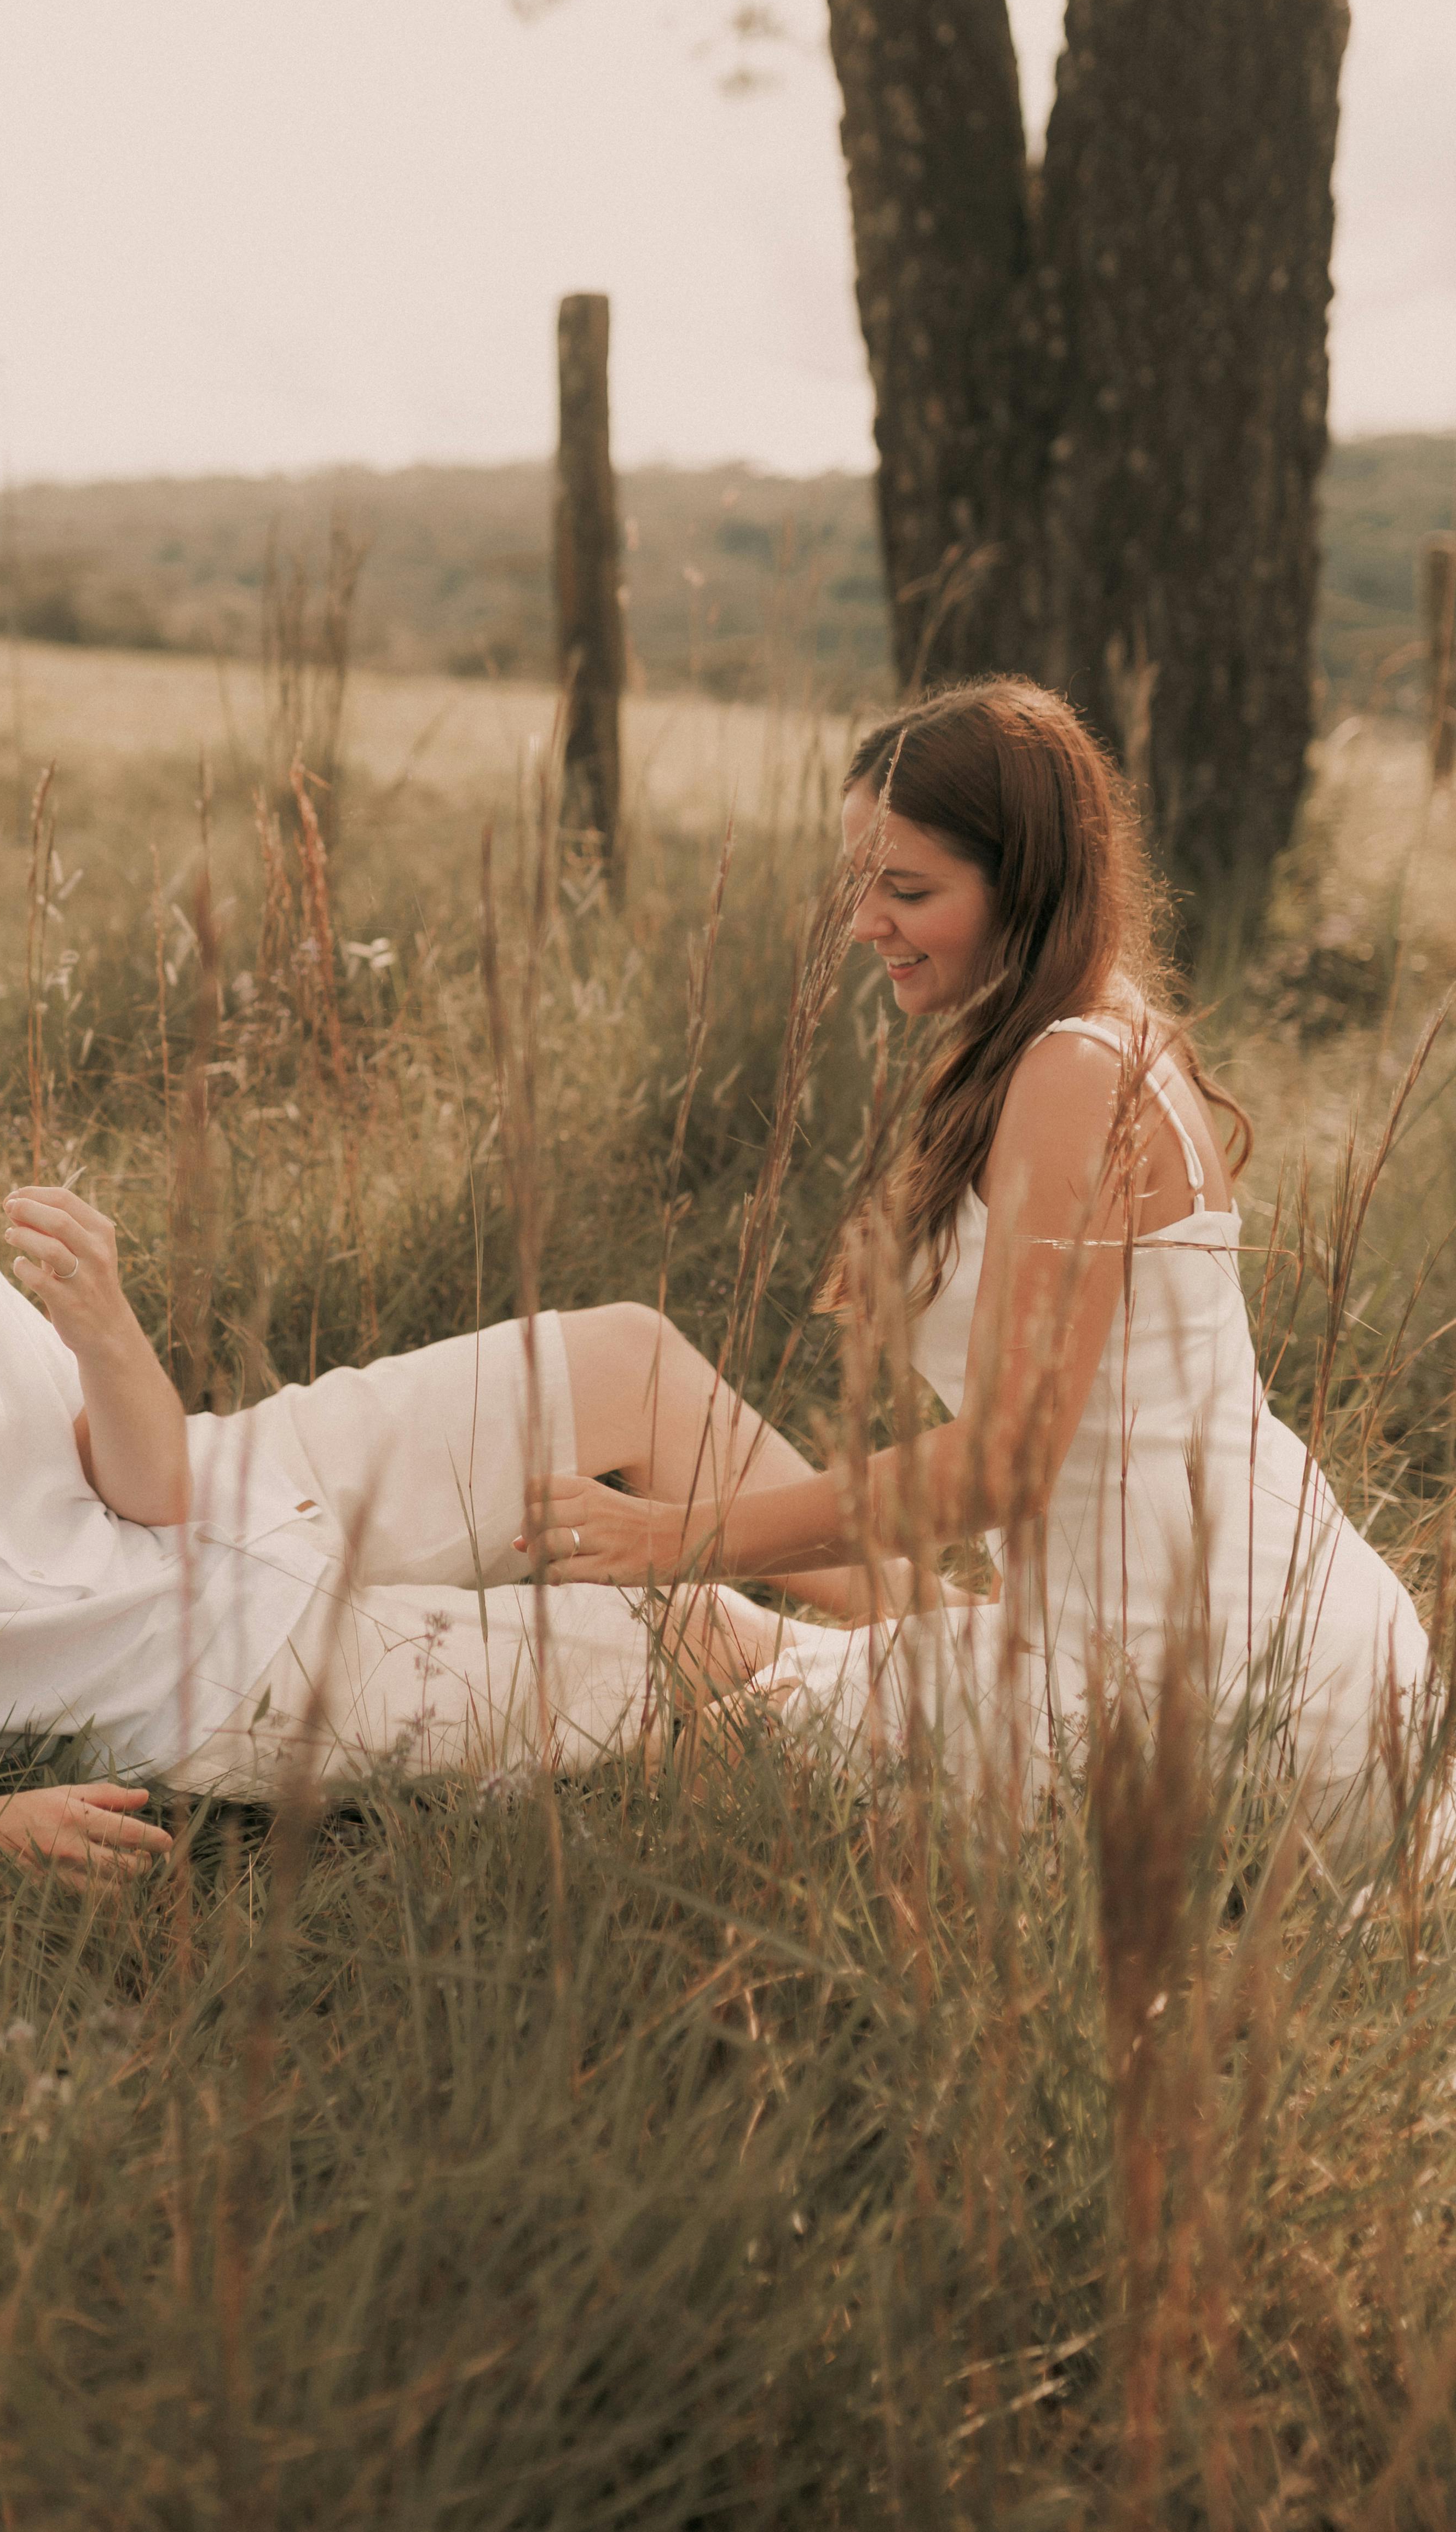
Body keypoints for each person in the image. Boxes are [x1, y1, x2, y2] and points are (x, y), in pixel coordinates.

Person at [0, 993, 881, 1875]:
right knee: (687, 1641)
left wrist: (107, 1330)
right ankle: (1024, 1712)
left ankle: (987, 1624)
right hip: (202, 1676)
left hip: (240, 1478)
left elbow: (142, 1489)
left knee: (626, 1359)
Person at [523, 677, 1445, 1876]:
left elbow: (1008, 1463)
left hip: (1223, 1692)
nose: (865, 924)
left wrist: (680, 1534)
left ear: (1028, 884)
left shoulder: (1069, 1072)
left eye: (906, 890)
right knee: (714, 1650)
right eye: (858, 882)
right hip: (1262, 1646)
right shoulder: (1105, 1034)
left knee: (685, 1775)